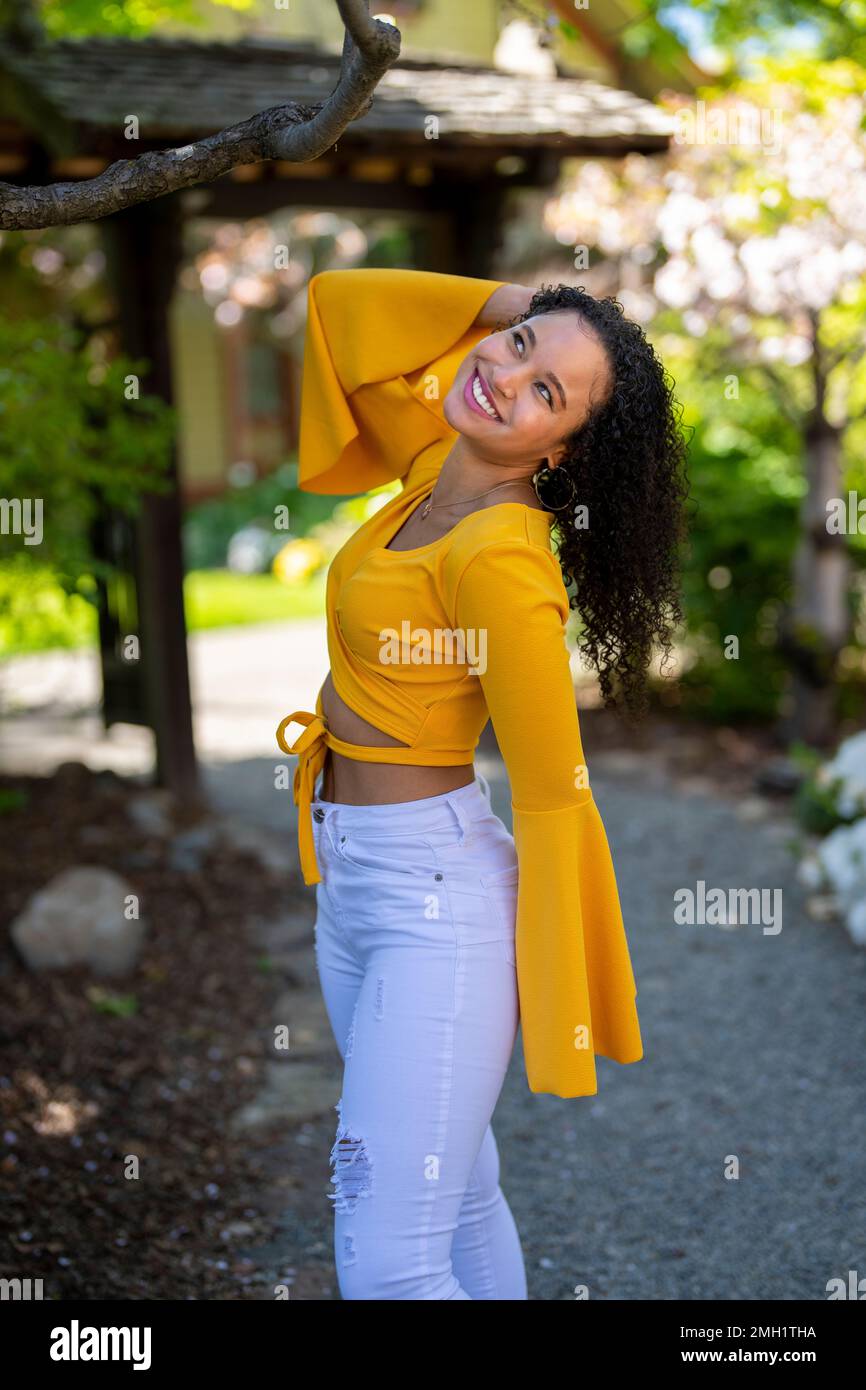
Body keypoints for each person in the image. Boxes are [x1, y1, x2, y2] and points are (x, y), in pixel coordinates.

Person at [277, 266, 688, 1299]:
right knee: (452, 1202)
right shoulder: (432, 465)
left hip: (434, 906)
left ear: (562, 454)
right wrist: (532, 304)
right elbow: (342, 308)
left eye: (547, 392)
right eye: (515, 347)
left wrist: (572, 994)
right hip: (354, 884)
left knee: (385, 1262)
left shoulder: (499, 557)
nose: (504, 377)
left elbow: (554, 790)